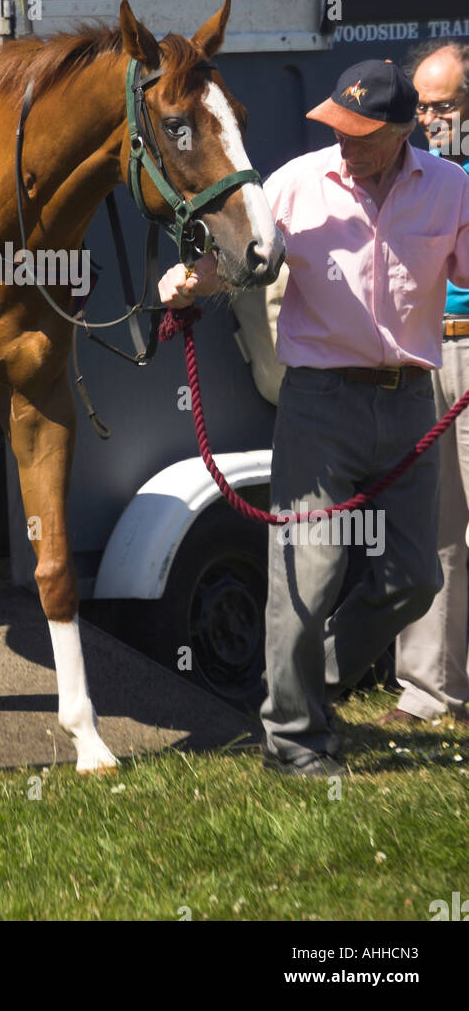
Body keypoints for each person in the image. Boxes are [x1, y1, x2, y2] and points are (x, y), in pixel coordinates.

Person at [159, 59, 469, 776]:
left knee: (415, 579)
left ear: (401, 133)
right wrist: (190, 281)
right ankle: (294, 742)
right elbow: (240, 260)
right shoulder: (295, 182)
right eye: (337, 128)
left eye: (359, 134)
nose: (345, 144)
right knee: (311, 571)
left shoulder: (451, 189)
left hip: (409, 402)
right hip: (320, 406)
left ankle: (304, 682)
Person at [381, 41, 469, 727]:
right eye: (423, 107)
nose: (431, 119)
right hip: (425, 358)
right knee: (432, 533)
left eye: (445, 105)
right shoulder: (412, 173)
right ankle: (427, 692)